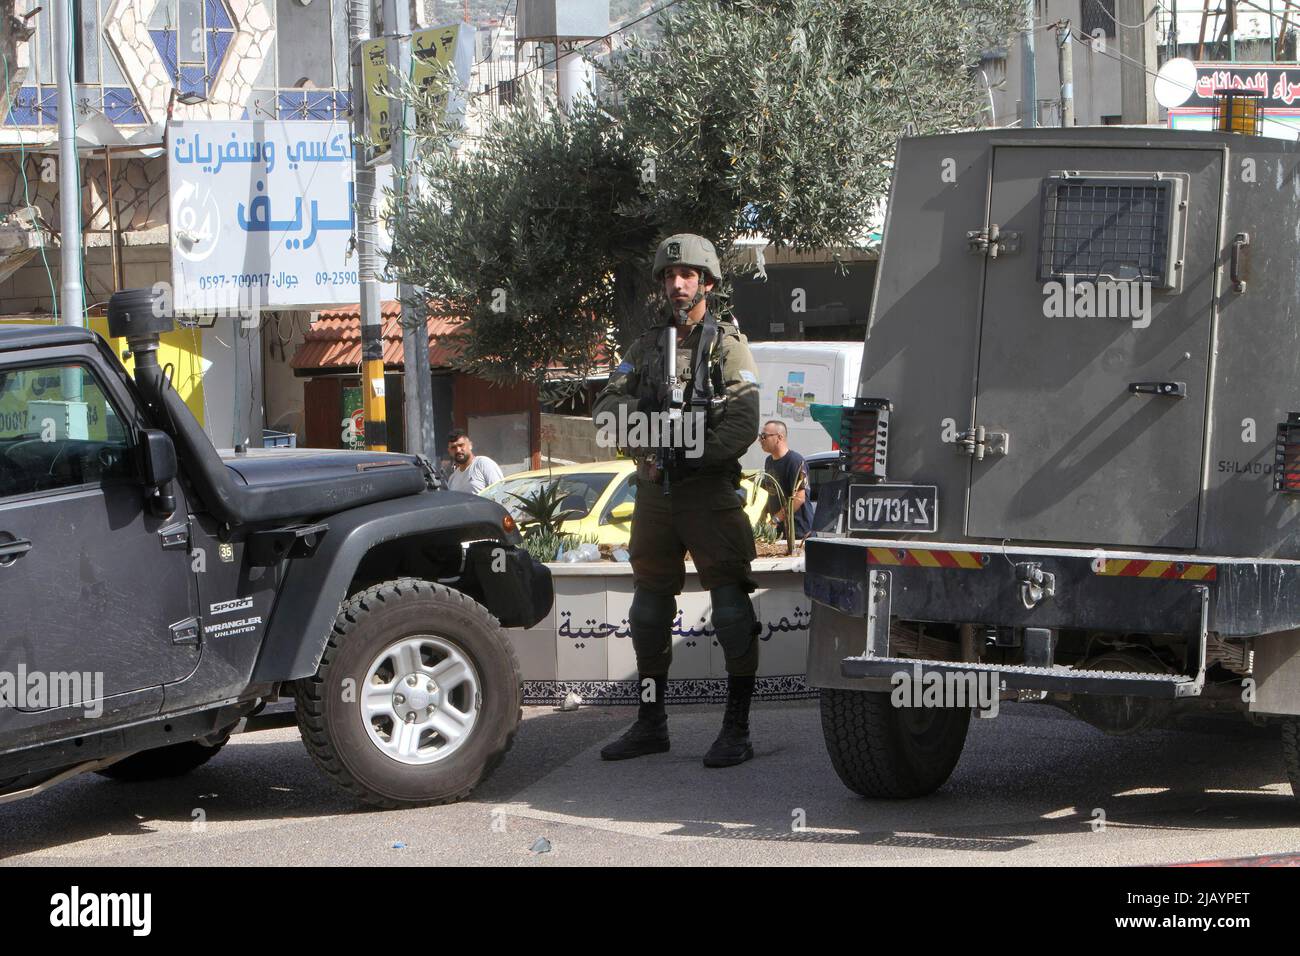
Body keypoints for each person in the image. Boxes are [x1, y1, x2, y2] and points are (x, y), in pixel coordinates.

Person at [592, 233, 761, 768]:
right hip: (654, 491)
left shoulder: (726, 345)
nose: (677, 283)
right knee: (647, 610)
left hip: (707, 491)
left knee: (731, 608)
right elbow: (606, 407)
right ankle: (651, 723)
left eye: (687, 274)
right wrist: (646, 434)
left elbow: (744, 417)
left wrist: (697, 451)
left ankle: (736, 728)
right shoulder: (644, 347)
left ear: (707, 282)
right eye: (669, 276)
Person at [758, 420, 812, 539]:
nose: (760, 440)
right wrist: (764, 512)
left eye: (764, 436)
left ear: (779, 437)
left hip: (797, 533)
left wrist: (775, 519)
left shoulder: (795, 461)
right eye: (760, 436)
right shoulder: (769, 461)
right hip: (779, 532)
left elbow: (799, 498)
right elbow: (773, 492)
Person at [444, 429, 503, 494]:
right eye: (453, 447)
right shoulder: (452, 479)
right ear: (449, 451)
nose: (458, 450)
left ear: (470, 445)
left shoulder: (483, 464)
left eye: (461, 445)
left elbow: (500, 493)